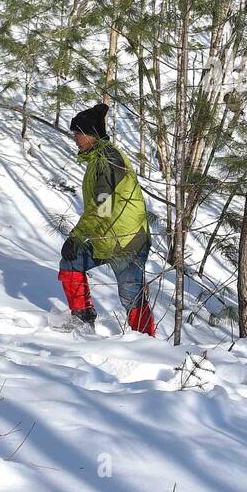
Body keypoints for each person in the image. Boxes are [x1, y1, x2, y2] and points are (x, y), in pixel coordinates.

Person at [57, 103, 155, 335]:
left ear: (91, 134)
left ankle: (147, 344)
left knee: (131, 298)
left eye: (78, 133)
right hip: (108, 238)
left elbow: (103, 207)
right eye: (74, 133)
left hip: (126, 242)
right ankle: (83, 319)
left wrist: (76, 237)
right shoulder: (97, 159)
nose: (75, 138)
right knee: (71, 262)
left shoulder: (108, 159)